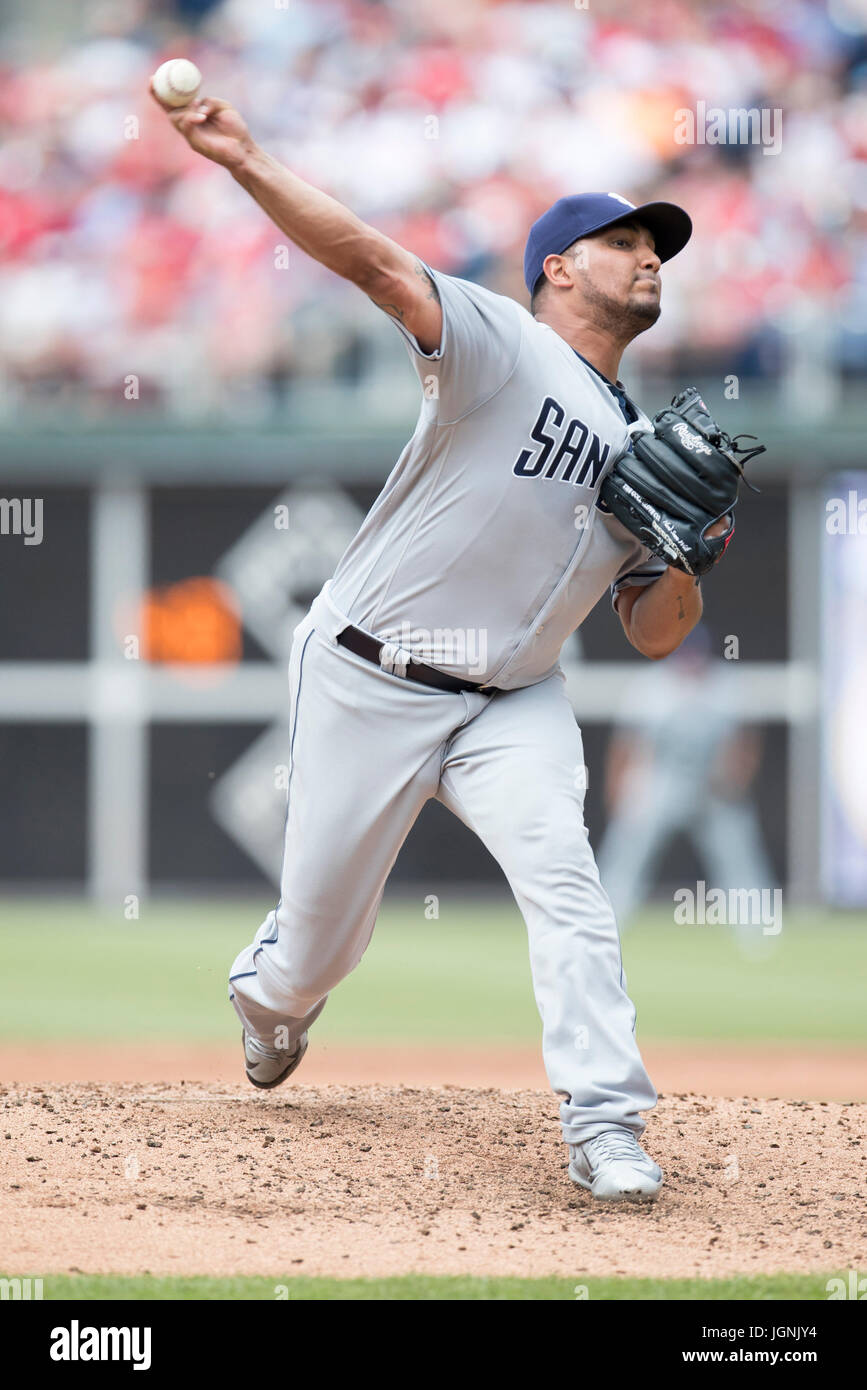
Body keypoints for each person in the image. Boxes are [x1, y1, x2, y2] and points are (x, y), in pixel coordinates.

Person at [153, 83, 732, 1201]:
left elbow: (654, 631)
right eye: (623, 240)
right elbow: (374, 262)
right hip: (371, 672)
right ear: (558, 266)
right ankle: (272, 998)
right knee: (317, 952)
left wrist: (697, 558)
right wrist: (244, 159)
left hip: (514, 699)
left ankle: (607, 1123)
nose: (650, 255)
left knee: (568, 883)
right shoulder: (497, 345)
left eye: (657, 244)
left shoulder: (646, 444)